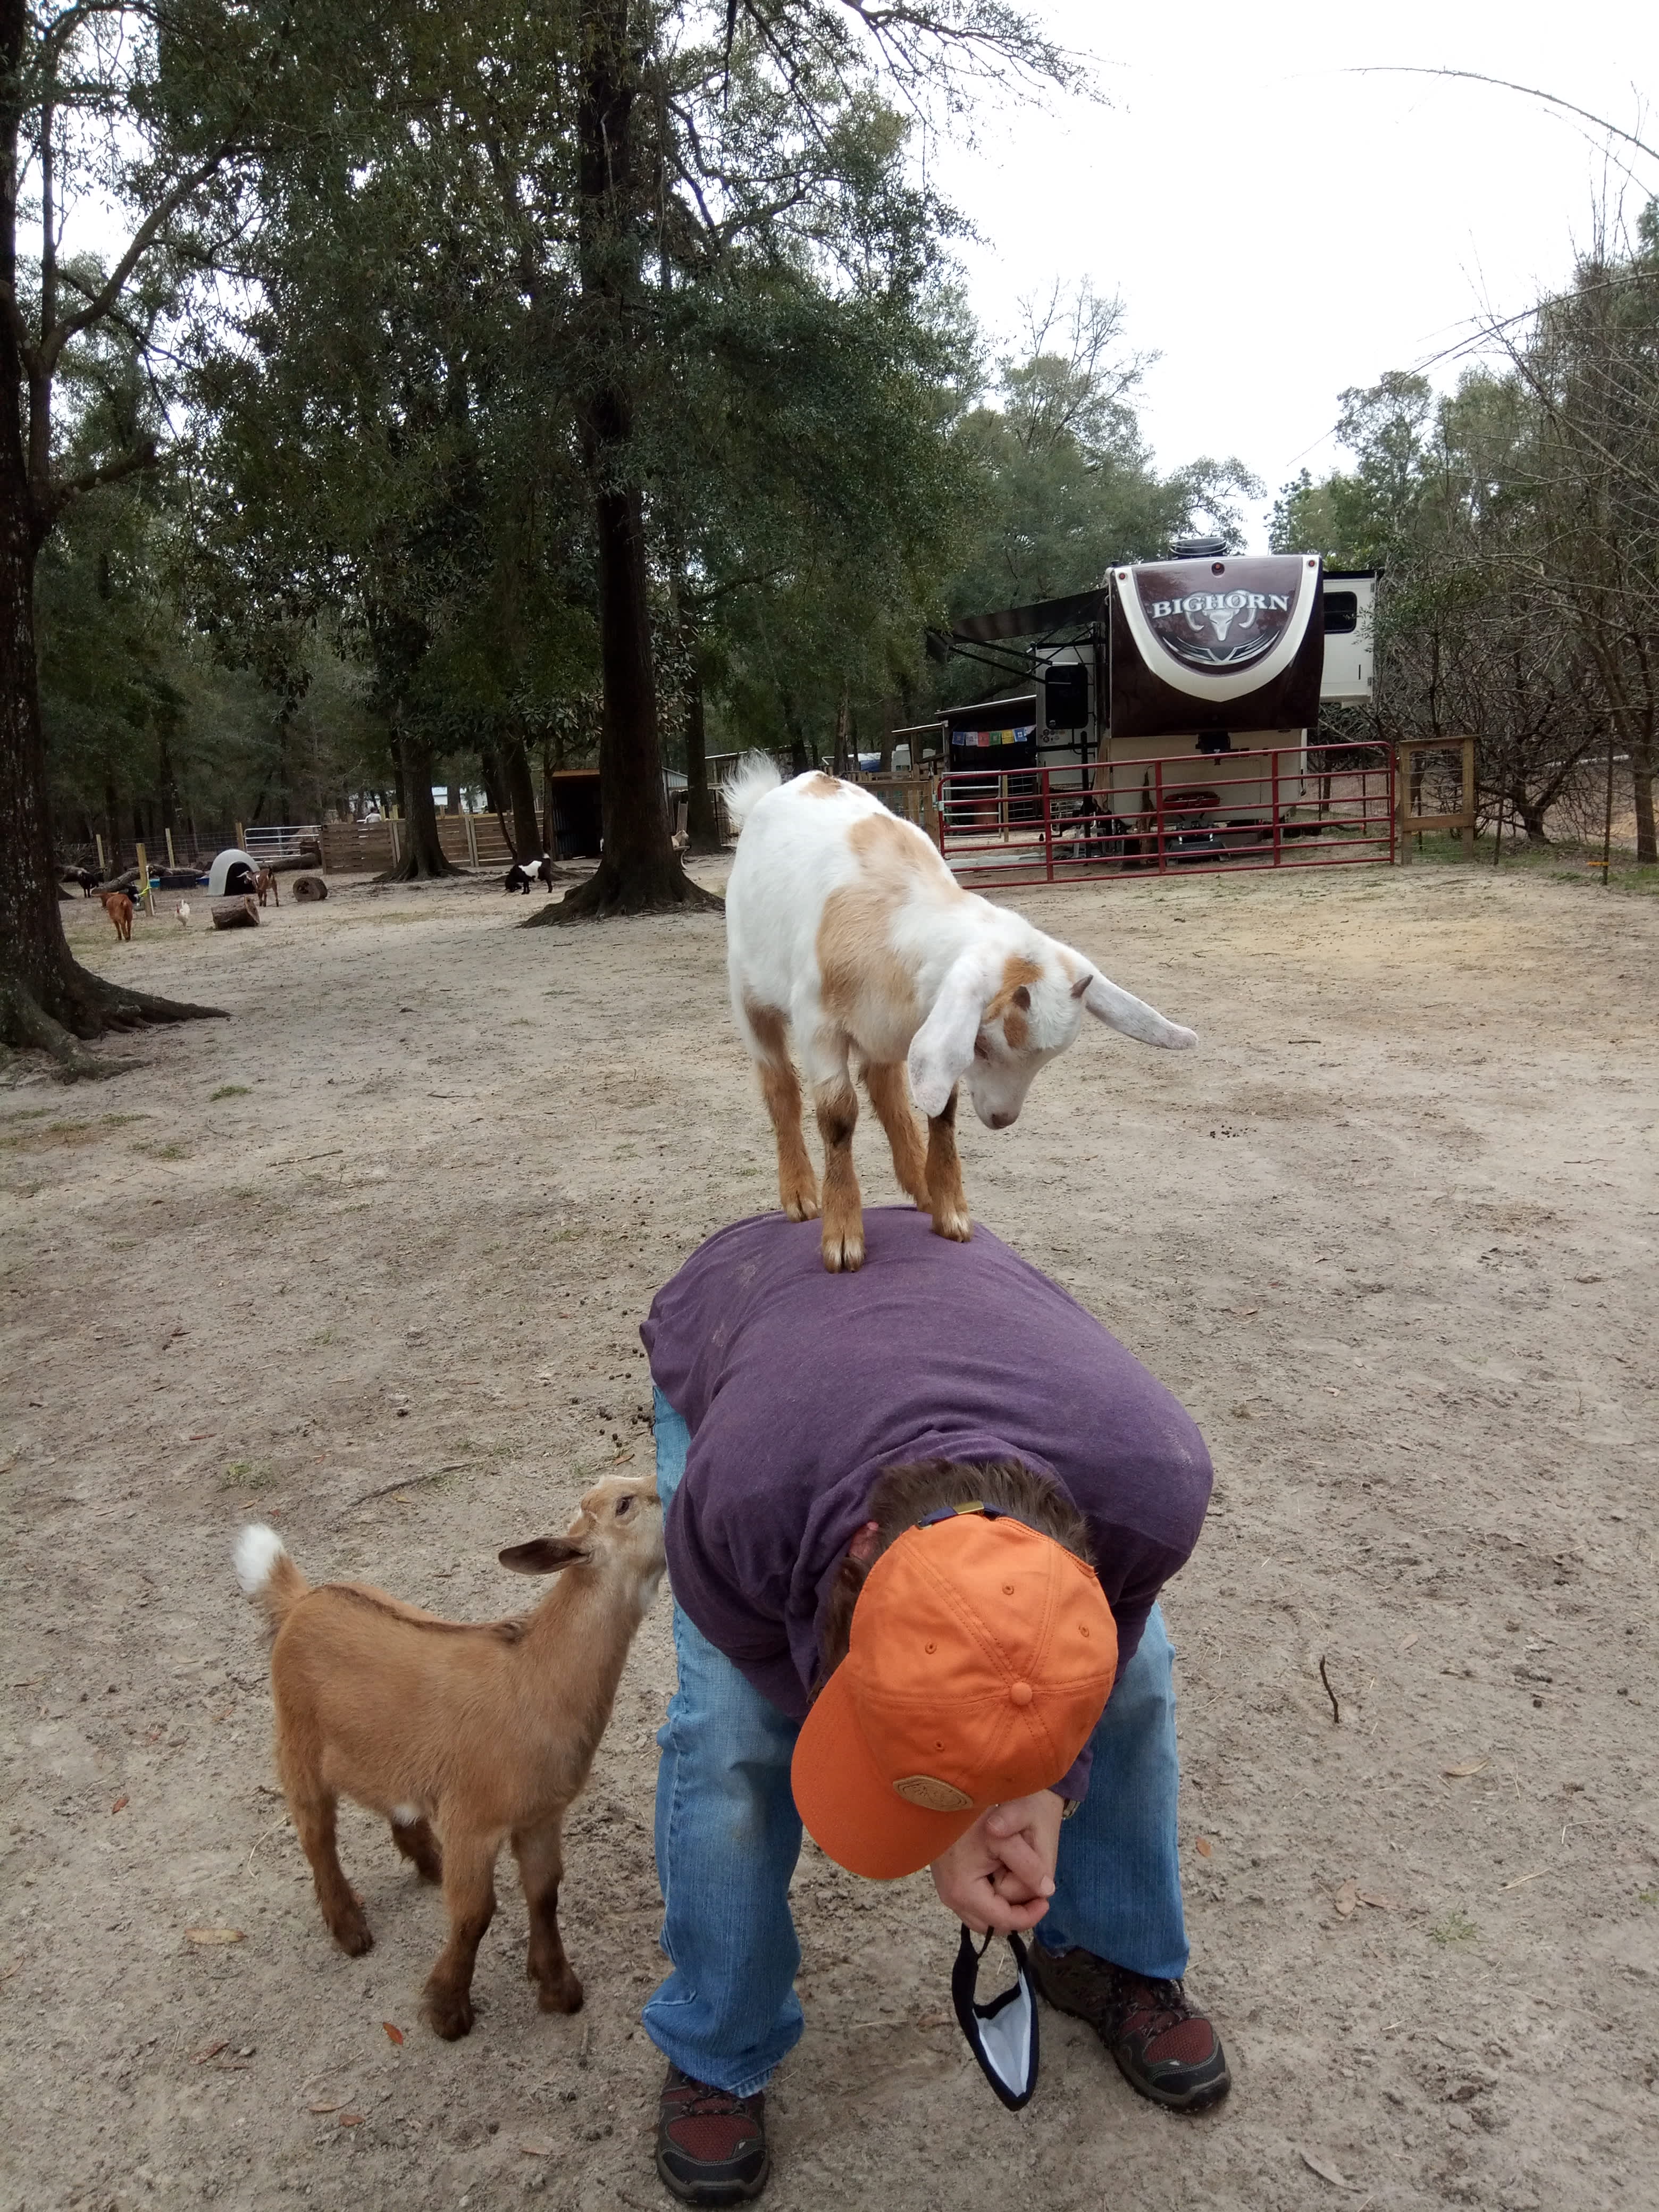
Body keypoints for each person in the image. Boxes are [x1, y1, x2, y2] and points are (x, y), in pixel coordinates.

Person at [640, 1206, 1229, 2206]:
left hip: (971, 1318)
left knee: (1135, 1681)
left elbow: (1108, 1630)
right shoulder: (743, 1497)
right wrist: (949, 1810)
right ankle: (718, 2040)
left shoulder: (1155, 1478)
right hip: (752, 1308)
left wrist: (1047, 1781)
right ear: (846, 1577)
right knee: (733, 1734)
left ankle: (1107, 1953)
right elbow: (762, 1650)